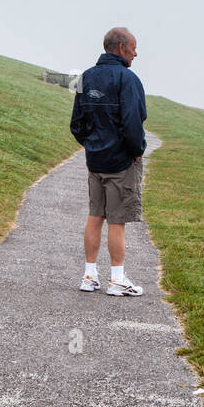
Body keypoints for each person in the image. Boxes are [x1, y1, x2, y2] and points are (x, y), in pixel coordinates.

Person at [69, 27, 147, 296]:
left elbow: (76, 124)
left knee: (95, 215)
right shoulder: (128, 79)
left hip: (96, 161)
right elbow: (133, 123)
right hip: (121, 163)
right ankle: (117, 280)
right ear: (121, 48)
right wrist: (136, 150)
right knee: (117, 220)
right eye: (133, 48)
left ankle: (89, 277)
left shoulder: (86, 77)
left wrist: (92, 146)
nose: (136, 53)